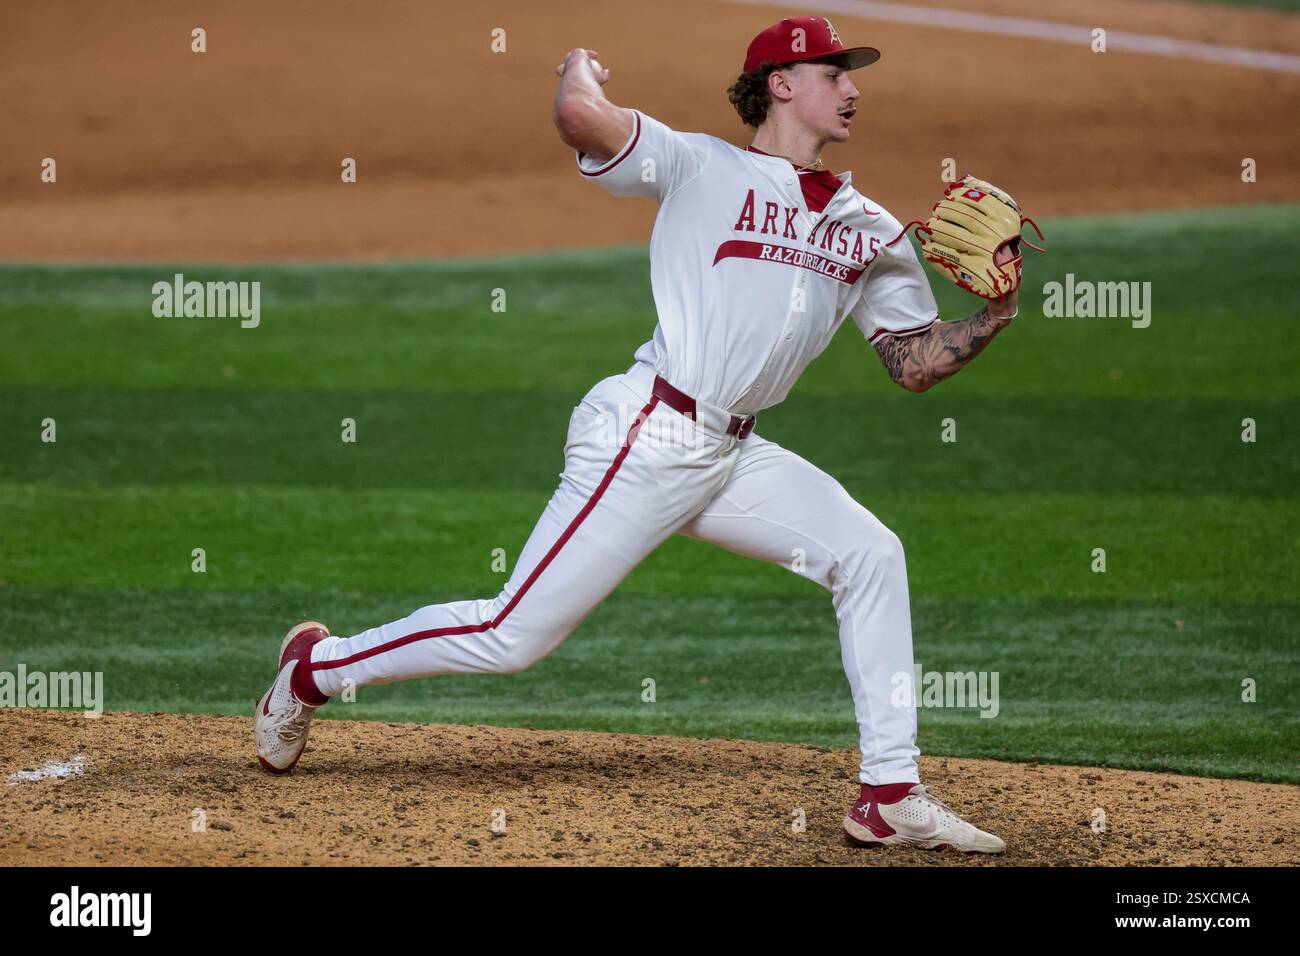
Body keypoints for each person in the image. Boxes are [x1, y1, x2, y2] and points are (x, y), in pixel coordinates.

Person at [255, 16, 1016, 853]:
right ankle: (313, 672)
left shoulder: (868, 225)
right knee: (513, 638)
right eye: (835, 74)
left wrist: (995, 314)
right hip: (648, 435)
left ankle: (890, 794)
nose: (854, 89)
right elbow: (583, 122)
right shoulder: (700, 165)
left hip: (734, 455)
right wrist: (579, 71)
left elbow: (910, 362)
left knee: (871, 553)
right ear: (782, 83)